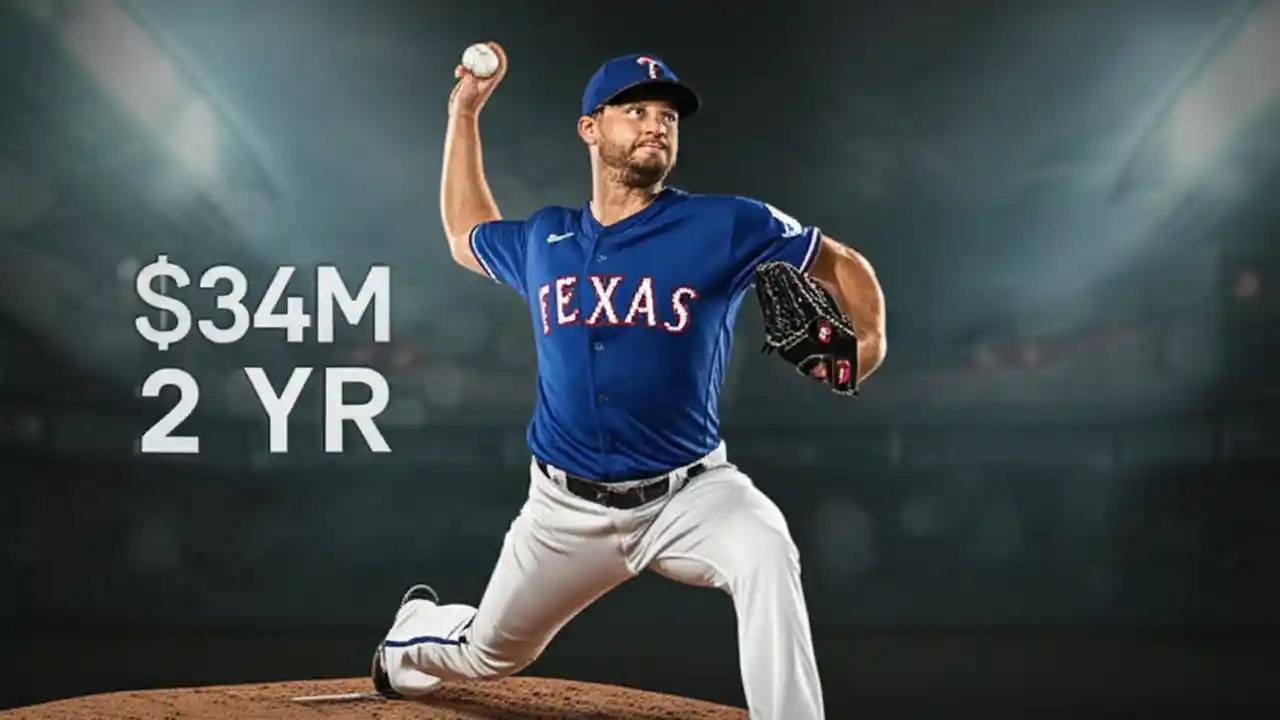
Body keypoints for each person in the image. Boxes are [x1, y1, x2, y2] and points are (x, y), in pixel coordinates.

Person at [371, 44, 887, 720]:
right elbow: (466, 233)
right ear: (590, 128)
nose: (655, 125)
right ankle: (410, 640)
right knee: (488, 655)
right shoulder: (545, 239)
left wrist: (866, 346)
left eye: (668, 116)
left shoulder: (726, 223)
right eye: (635, 110)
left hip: (691, 493)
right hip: (565, 509)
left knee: (765, 547)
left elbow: (840, 262)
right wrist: (463, 113)